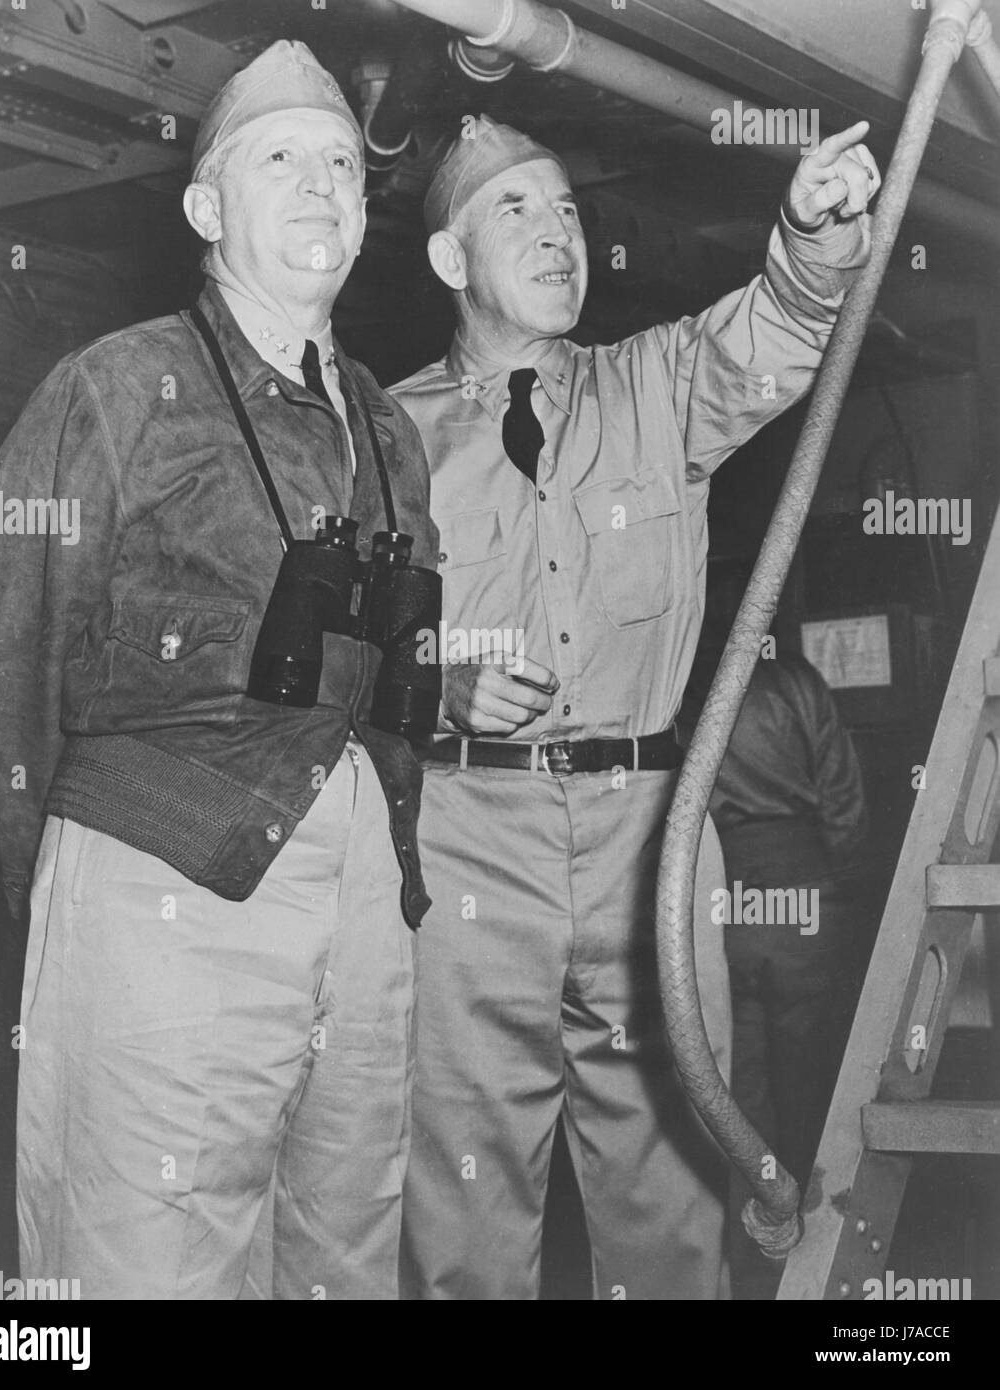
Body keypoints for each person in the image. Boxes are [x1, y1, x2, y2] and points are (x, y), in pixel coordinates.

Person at [0, 40, 438, 1301]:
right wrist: (64, 877)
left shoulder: (386, 425)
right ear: (208, 209)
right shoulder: (114, 389)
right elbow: (3, 650)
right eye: (283, 160)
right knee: (142, 1253)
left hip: (362, 889)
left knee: (344, 1243)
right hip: (162, 873)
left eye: (343, 165)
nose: (325, 185)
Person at [391, 113, 879, 1300]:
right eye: (517, 210)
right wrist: (434, 673)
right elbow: (341, 639)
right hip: (465, 825)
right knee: (463, 1182)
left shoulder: (652, 382)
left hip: (647, 824)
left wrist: (811, 239)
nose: (558, 233)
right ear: (451, 261)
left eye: (566, 209)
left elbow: (770, 333)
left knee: (669, 1175)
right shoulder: (380, 429)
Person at [682, 559, 878, 1297]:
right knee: (813, 1088)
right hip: (807, 901)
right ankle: (815, 1253)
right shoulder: (796, 681)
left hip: (720, 903)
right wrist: (845, 885)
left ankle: (749, 1258)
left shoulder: (689, 695)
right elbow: (844, 802)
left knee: (737, 1095)